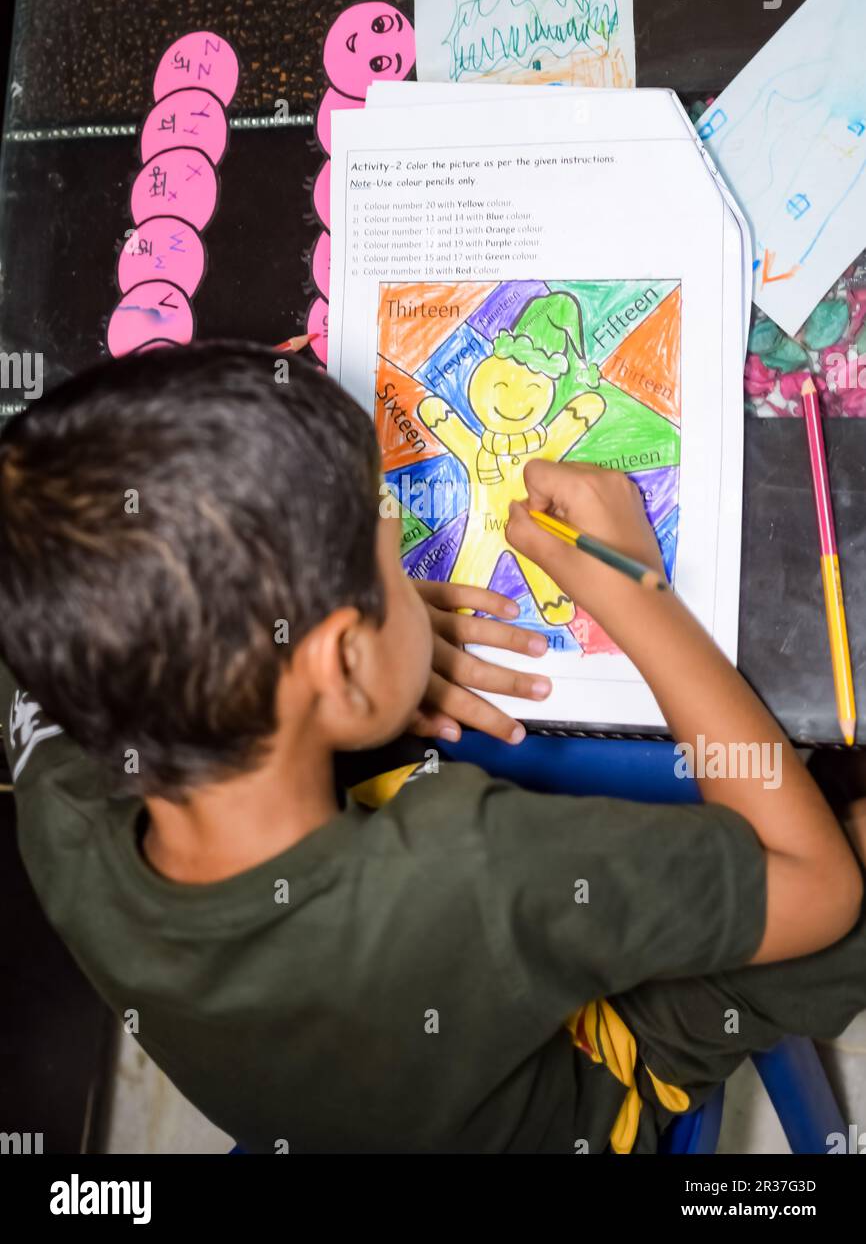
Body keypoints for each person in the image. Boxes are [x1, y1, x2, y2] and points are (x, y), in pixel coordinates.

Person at [0, 341, 863, 1154]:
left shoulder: (59, 802)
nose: (410, 573)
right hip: (587, 1102)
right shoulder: (472, 866)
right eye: (392, 558)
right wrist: (635, 589)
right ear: (341, 660)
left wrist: (354, 665)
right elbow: (819, 888)